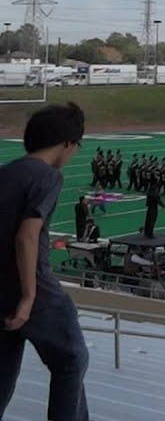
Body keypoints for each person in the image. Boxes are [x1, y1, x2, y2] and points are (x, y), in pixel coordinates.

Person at [0, 102, 91, 421]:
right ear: (68, 143)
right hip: (37, 293)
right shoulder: (47, 177)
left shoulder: (6, 172)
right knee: (71, 362)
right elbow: (27, 236)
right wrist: (28, 297)